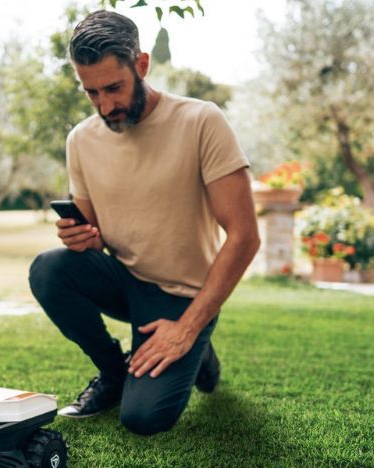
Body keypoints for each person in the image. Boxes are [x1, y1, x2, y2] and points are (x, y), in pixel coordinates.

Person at [28, 10, 260, 436]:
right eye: (91, 93)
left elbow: (245, 236)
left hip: (182, 295)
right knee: (49, 268)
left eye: (114, 88)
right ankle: (113, 373)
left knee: (142, 419)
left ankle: (198, 345)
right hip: (125, 280)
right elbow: (93, 239)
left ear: (142, 64)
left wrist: (187, 328)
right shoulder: (81, 140)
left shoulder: (201, 121)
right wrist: (80, 236)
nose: (106, 106)